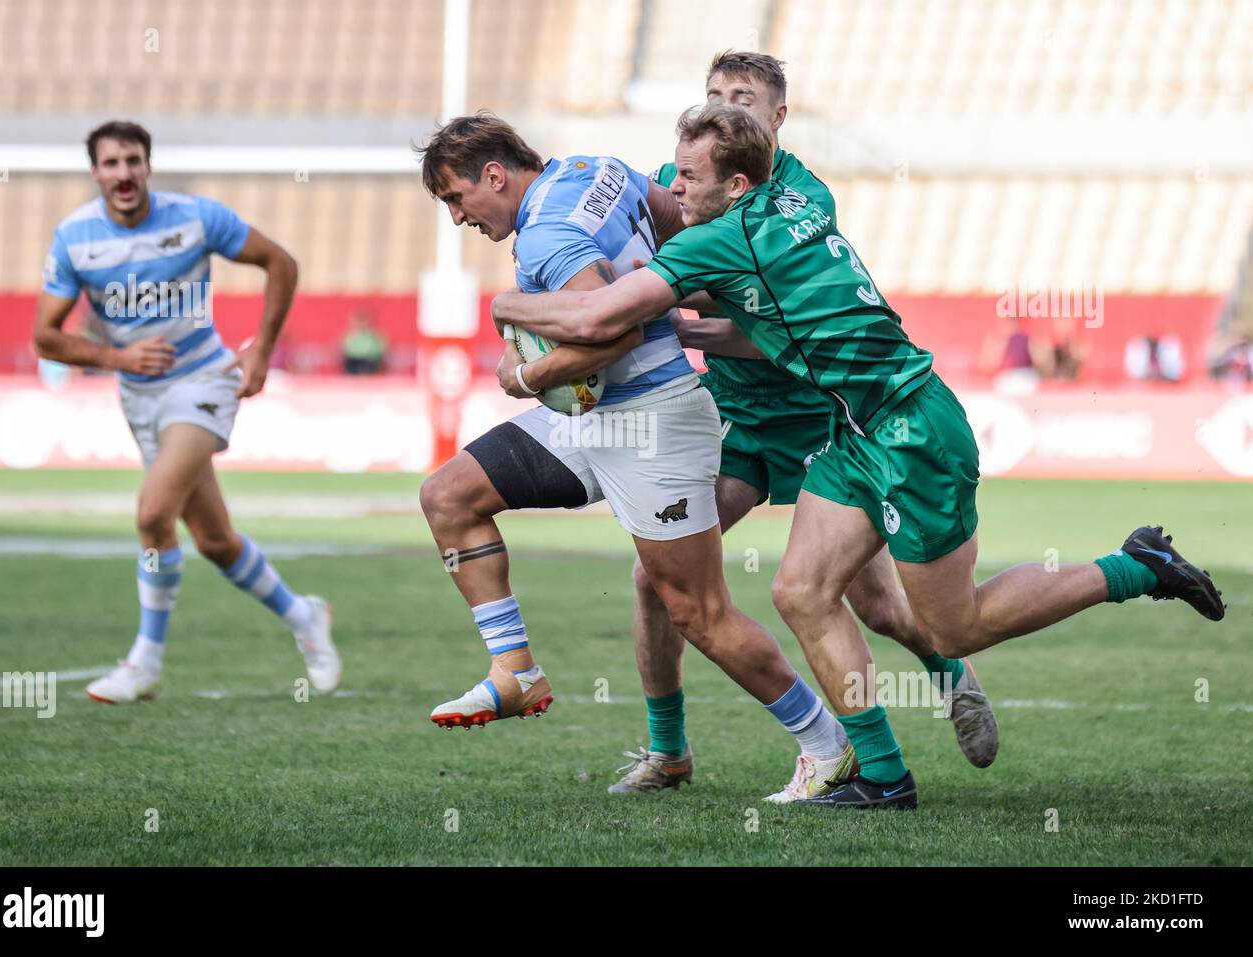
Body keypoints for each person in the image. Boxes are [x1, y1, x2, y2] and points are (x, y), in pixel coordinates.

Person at [492, 104, 1225, 809]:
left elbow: (596, 315)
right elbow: (767, 325)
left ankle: (1135, 567)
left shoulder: (716, 239)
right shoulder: (794, 196)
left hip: (910, 430)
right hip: (853, 427)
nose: (672, 188)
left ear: (737, 185)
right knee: (801, 590)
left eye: (687, 177)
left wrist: (506, 309)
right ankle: (879, 773)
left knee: (956, 624)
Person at [417, 112, 860, 801]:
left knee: (697, 611)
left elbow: (612, 329)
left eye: (455, 198)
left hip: (652, 421)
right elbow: (673, 221)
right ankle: (516, 671)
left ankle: (827, 745)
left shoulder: (549, 234)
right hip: (597, 418)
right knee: (450, 494)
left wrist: (524, 371)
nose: (456, 218)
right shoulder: (594, 169)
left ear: (494, 175)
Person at [613, 51, 995, 799]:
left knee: (877, 604)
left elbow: (770, 329)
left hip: (821, 415)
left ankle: (950, 673)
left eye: (746, 96)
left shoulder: (800, 193)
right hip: (738, 422)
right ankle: (668, 751)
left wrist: (659, 329)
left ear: (778, 116)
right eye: (716, 93)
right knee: (656, 577)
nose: (730, 105)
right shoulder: (682, 179)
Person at [34, 121, 341, 703]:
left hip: (203, 380)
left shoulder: (196, 217)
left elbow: (281, 262)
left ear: (148, 165)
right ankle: (304, 616)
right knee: (215, 540)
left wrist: (262, 351)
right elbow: (45, 338)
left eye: (132, 160)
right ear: (96, 172)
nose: (123, 173)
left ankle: (144, 662)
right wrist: (116, 355)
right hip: (139, 395)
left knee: (153, 515)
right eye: (110, 163)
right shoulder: (75, 238)